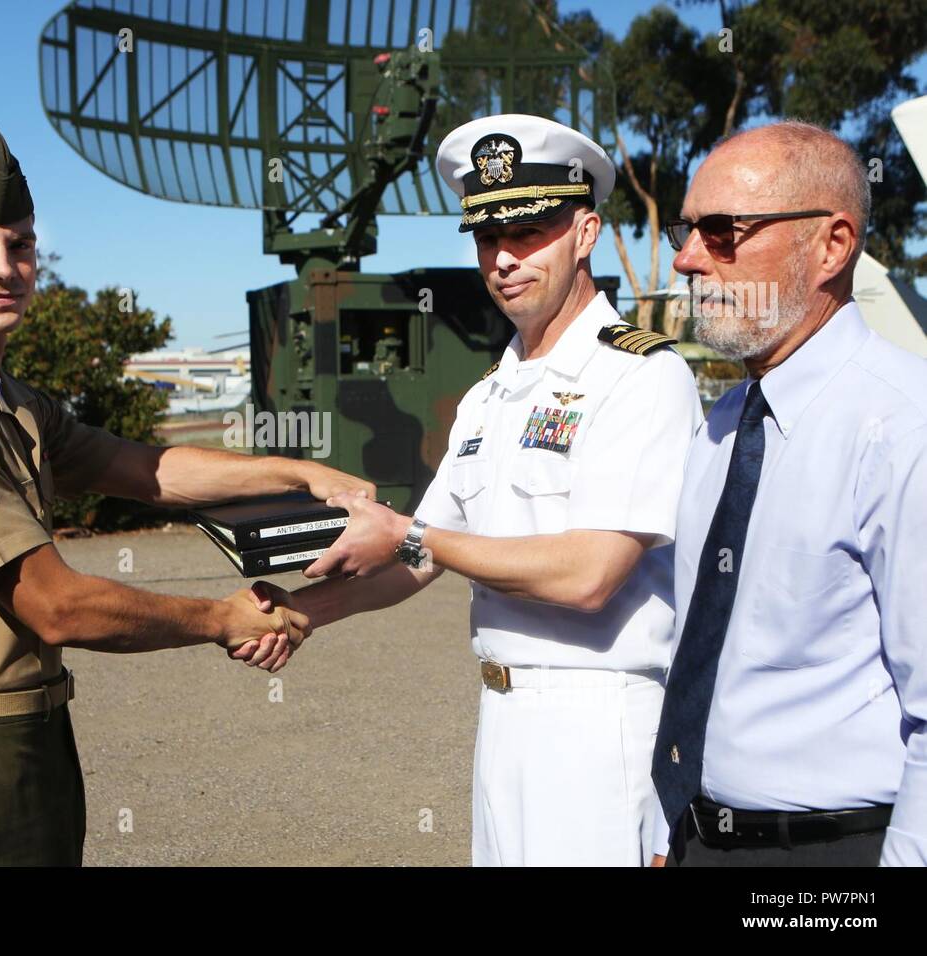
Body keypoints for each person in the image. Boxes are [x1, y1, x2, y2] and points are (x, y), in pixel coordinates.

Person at [0, 116, 373, 866]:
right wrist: (222, 618)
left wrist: (297, 473)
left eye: (19, 246)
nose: (3, 268)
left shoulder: (2, 396)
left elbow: (143, 469)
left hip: (28, 737)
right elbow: (56, 604)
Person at [237, 114, 704, 865]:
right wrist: (302, 612)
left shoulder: (642, 376)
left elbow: (590, 574)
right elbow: (419, 558)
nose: (505, 258)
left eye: (530, 233)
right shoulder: (493, 393)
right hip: (502, 718)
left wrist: (413, 537)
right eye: (490, 237)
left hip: (598, 725)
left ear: (585, 233)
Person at [651, 120, 927, 867]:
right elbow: (693, 649)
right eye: (687, 229)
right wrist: (663, 829)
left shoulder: (906, 429)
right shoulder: (722, 425)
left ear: (832, 246)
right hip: (697, 842)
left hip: (837, 857)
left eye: (721, 231)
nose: (685, 257)